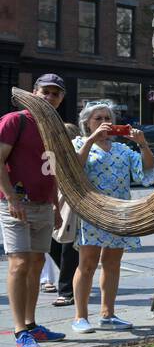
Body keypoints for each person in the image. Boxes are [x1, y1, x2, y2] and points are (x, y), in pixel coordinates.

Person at [70, 101, 154, 334]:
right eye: (98, 118)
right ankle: (80, 317)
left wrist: (143, 145)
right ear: (87, 123)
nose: (104, 122)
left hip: (119, 211)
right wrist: (90, 140)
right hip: (92, 211)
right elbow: (74, 169)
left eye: (108, 118)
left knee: (112, 264)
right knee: (87, 263)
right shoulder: (79, 143)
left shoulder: (122, 149)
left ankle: (107, 314)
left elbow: (147, 172)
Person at [0, 74, 70, 347]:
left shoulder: (55, 128)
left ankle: (31, 324)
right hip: (15, 204)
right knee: (19, 262)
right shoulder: (15, 121)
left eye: (56, 93)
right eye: (45, 91)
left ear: (61, 98)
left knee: (37, 262)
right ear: (34, 92)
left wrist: (54, 205)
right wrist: (12, 198)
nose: (50, 97)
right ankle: (20, 332)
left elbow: (51, 169)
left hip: (43, 205)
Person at [51, 123, 81, 307]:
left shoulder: (77, 153)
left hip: (72, 204)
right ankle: (71, 278)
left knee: (68, 246)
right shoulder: (52, 154)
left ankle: (66, 291)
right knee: (51, 244)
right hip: (55, 201)